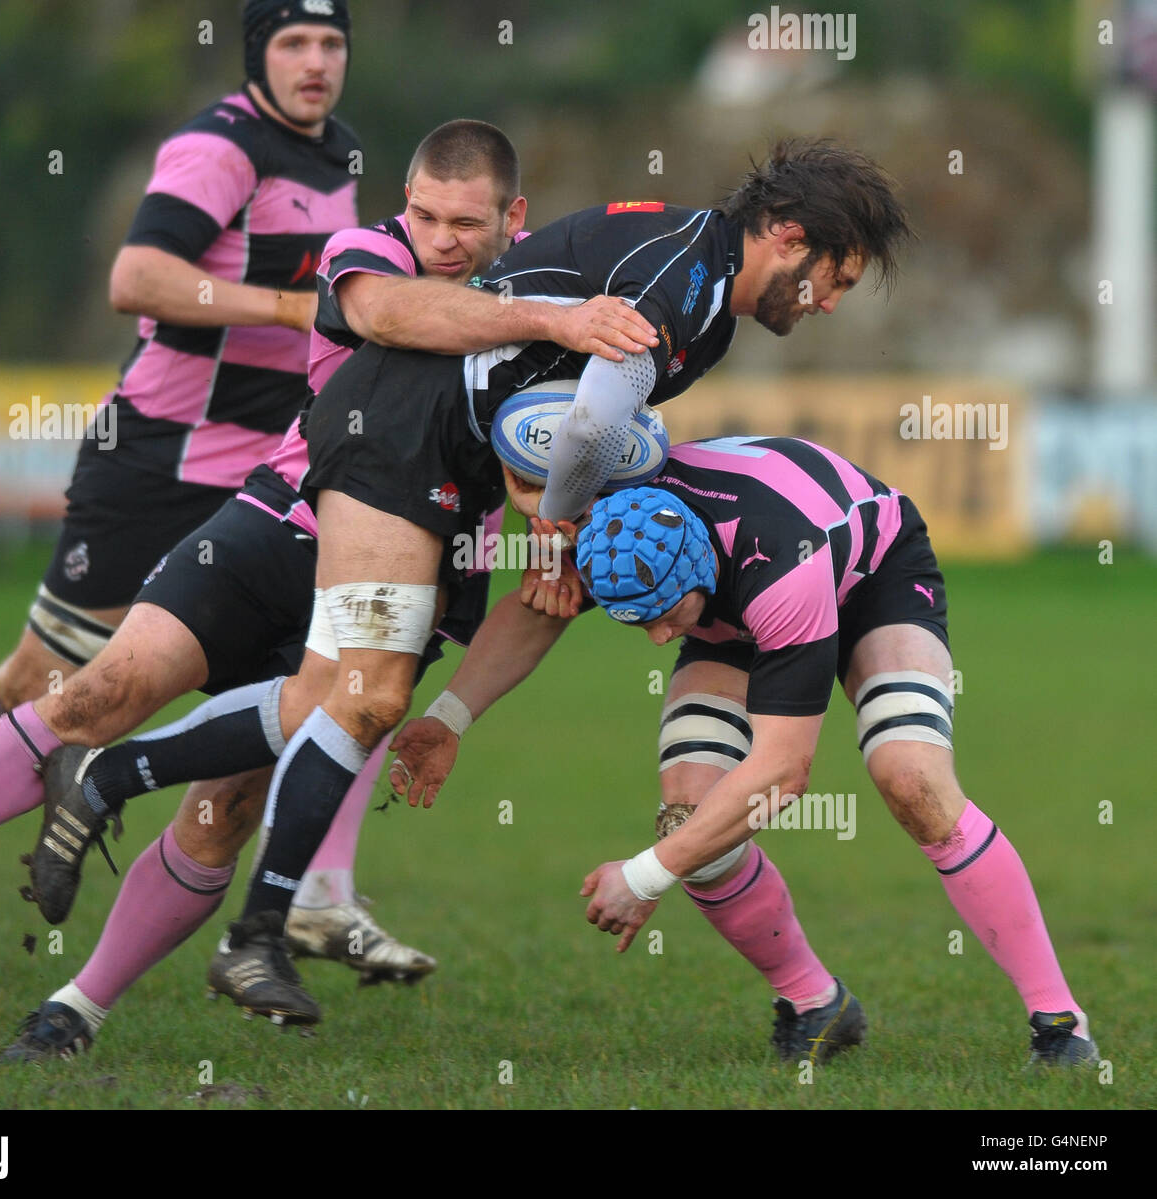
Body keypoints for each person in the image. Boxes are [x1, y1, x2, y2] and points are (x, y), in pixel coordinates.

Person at [0, 123, 651, 1054]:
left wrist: (552, 517)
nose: (440, 238)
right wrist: (551, 321)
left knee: (225, 813)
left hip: (404, 588)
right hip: (281, 527)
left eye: (465, 224)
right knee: (104, 688)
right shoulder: (372, 256)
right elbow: (401, 317)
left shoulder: (537, 312)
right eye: (425, 214)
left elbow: (531, 451)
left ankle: (74, 1009)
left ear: (514, 218)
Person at [229, 140, 913, 1020]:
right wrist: (555, 526)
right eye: (835, 279)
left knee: (351, 694)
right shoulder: (688, 280)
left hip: (441, 454)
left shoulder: (699, 271)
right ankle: (181, 845)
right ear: (788, 236)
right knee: (348, 693)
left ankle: (164, 829)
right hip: (402, 443)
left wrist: (554, 525)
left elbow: (581, 421)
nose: (828, 304)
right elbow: (590, 419)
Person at [0, 0, 359, 990]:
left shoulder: (337, 154)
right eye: (293, 42)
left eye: (333, 42)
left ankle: (303, 898)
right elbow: (138, 276)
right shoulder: (218, 146)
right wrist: (291, 307)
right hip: (157, 466)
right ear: (257, 52)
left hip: (256, 480)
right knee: (35, 689)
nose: (315, 61)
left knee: (323, 673)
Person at [393, 436, 1096, 1067]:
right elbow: (538, 606)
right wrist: (449, 717)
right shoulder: (615, 528)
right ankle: (814, 1001)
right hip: (733, 598)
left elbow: (781, 771)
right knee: (691, 816)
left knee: (911, 779)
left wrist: (642, 877)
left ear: (699, 577)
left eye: (665, 618)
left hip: (867, 576)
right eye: (637, 621)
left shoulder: (773, 570)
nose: (659, 640)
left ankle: (1060, 1021)